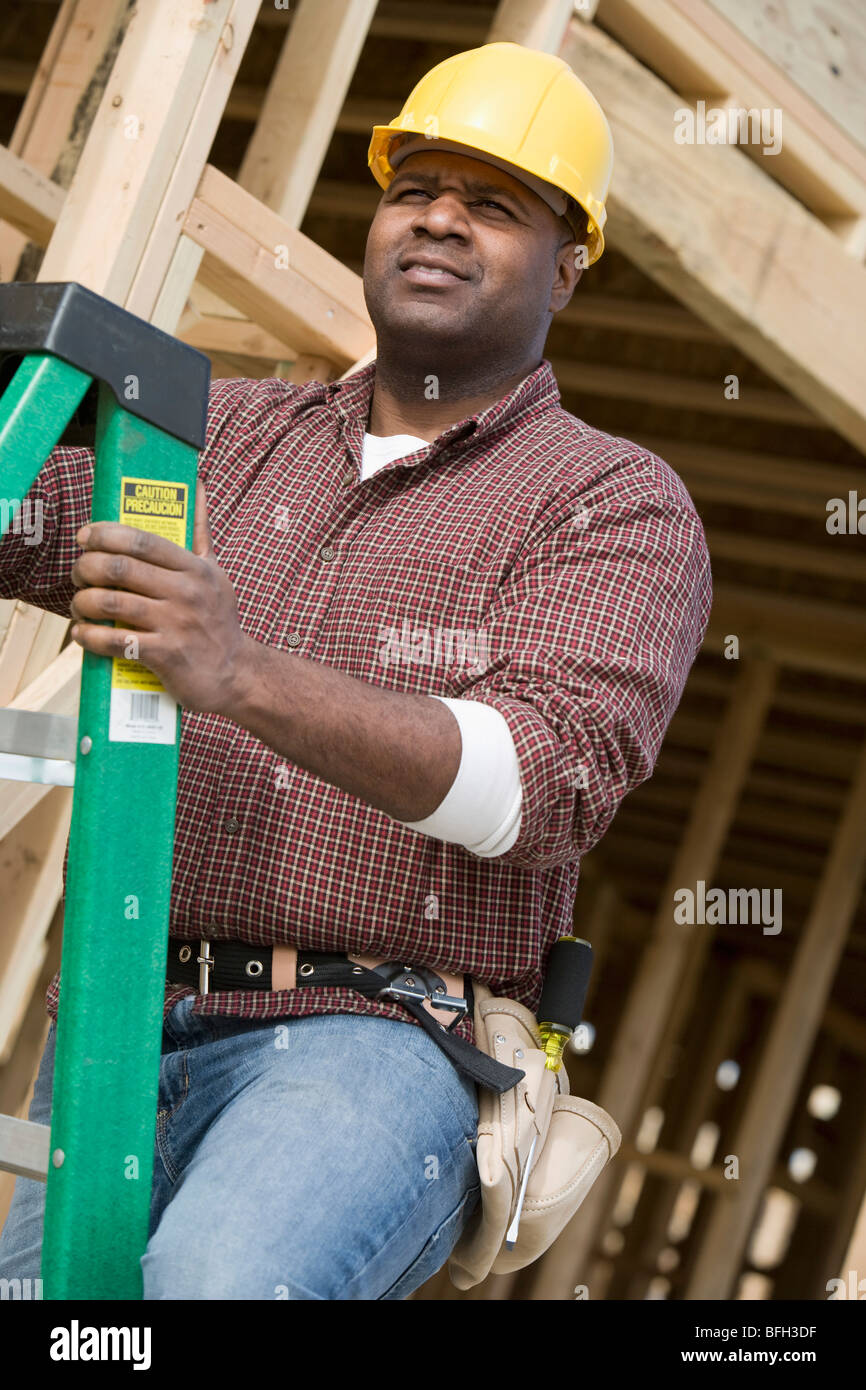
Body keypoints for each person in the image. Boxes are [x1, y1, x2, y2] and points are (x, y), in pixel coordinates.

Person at [0, 42, 711, 1299]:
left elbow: (540, 784)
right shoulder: (222, 432)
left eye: (491, 203)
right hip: (116, 1015)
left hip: (369, 1042)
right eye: (413, 188)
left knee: (202, 1294)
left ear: (569, 263)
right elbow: (30, 521)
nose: (438, 218)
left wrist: (240, 669)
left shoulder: (607, 503)